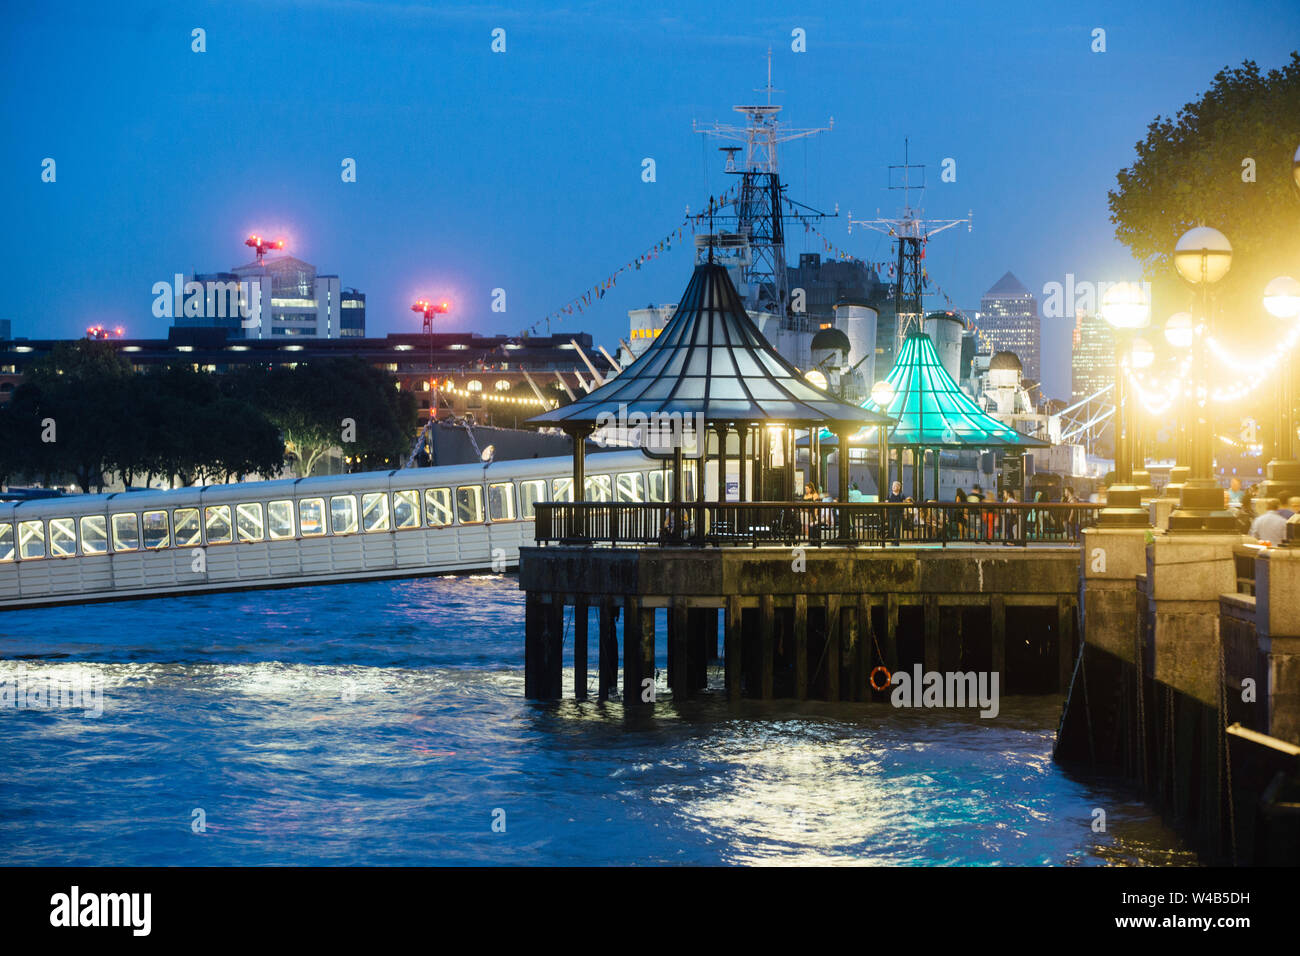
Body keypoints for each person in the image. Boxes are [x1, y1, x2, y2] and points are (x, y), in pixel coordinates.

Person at [886, 480, 905, 544]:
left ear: (899, 487)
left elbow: (904, 504)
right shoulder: (889, 495)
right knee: (891, 528)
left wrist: (904, 513)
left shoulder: (901, 495)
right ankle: (892, 540)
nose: (893, 487)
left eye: (895, 486)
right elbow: (886, 503)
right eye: (893, 486)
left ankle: (896, 542)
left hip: (899, 514)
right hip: (891, 514)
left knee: (898, 528)